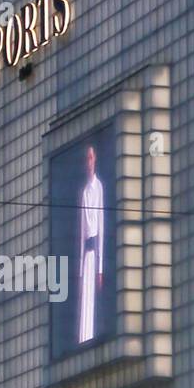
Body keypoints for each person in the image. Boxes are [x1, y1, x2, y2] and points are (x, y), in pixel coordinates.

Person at [77, 144, 105, 345]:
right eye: (86, 159)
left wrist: (101, 267)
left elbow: (101, 227)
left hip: (95, 249)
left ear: (95, 160)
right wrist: (79, 269)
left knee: (95, 299)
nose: (89, 162)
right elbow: (81, 232)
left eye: (90, 158)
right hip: (87, 251)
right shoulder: (84, 191)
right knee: (85, 298)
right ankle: (84, 337)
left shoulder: (98, 188)